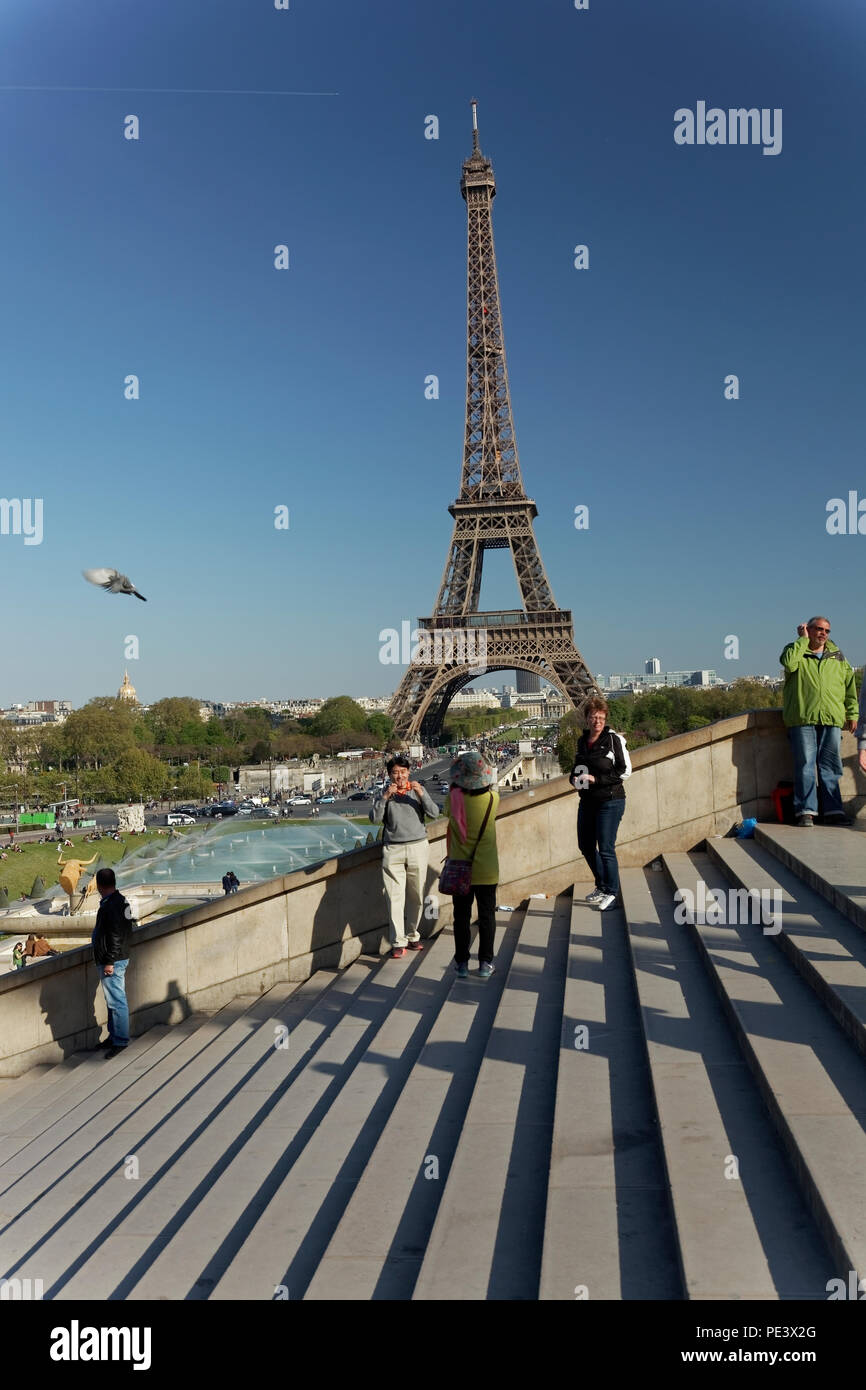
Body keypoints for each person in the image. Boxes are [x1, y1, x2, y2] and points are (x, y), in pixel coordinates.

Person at [780, 618, 858, 827]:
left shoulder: (838, 656)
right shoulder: (795, 650)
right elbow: (788, 664)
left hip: (831, 718)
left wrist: (853, 713)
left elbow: (849, 687)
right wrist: (801, 640)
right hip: (803, 717)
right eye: (818, 629)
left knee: (831, 766)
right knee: (805, 765)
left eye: (827, 630)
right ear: (808, 630)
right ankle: (806, 811)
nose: (823, 633)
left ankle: (833, 811)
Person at [370, 755, 439, 959]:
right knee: (394, 898)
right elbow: (374, 819)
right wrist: (384, 798)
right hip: (394, 850)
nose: (399, 776)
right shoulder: (384, 793)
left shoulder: (418, 790)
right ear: (389, 775)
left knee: (416, 895)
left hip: (418, 846)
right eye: (395, 772)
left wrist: (420, 793)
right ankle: (398, 941)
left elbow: (434, 813)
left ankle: (412, 934)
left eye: (402, 771)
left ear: (409, 772)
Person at [570, 696, 632, 911]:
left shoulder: (614, 740)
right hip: (587, 800)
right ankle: (602, 885)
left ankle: (612, 892)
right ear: (587, 719)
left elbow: (625, 771)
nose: (597, 721)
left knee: (605, 848)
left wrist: (597, 780)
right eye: (594, 717)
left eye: (601, 718)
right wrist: (574, 780)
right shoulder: (582, 741)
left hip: (610, 800)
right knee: (586, 846)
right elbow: (578, 767)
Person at [443, 751, 500, 978]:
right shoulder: (493, 800)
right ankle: (485, 962)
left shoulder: (453, 800)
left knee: (461, 918)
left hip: (460, 870)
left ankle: (462, 963)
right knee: (487, 918)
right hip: (487, 870)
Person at [92, 867, 134, 1059]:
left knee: (117, 1001)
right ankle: (114, 1035)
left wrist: (109, 961)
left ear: (100, 886)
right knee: (112, 1001)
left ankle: (120, 1041)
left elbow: (115, 935)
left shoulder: (111, 905)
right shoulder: (120, 900)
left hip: (113, 960)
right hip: (118, 957)